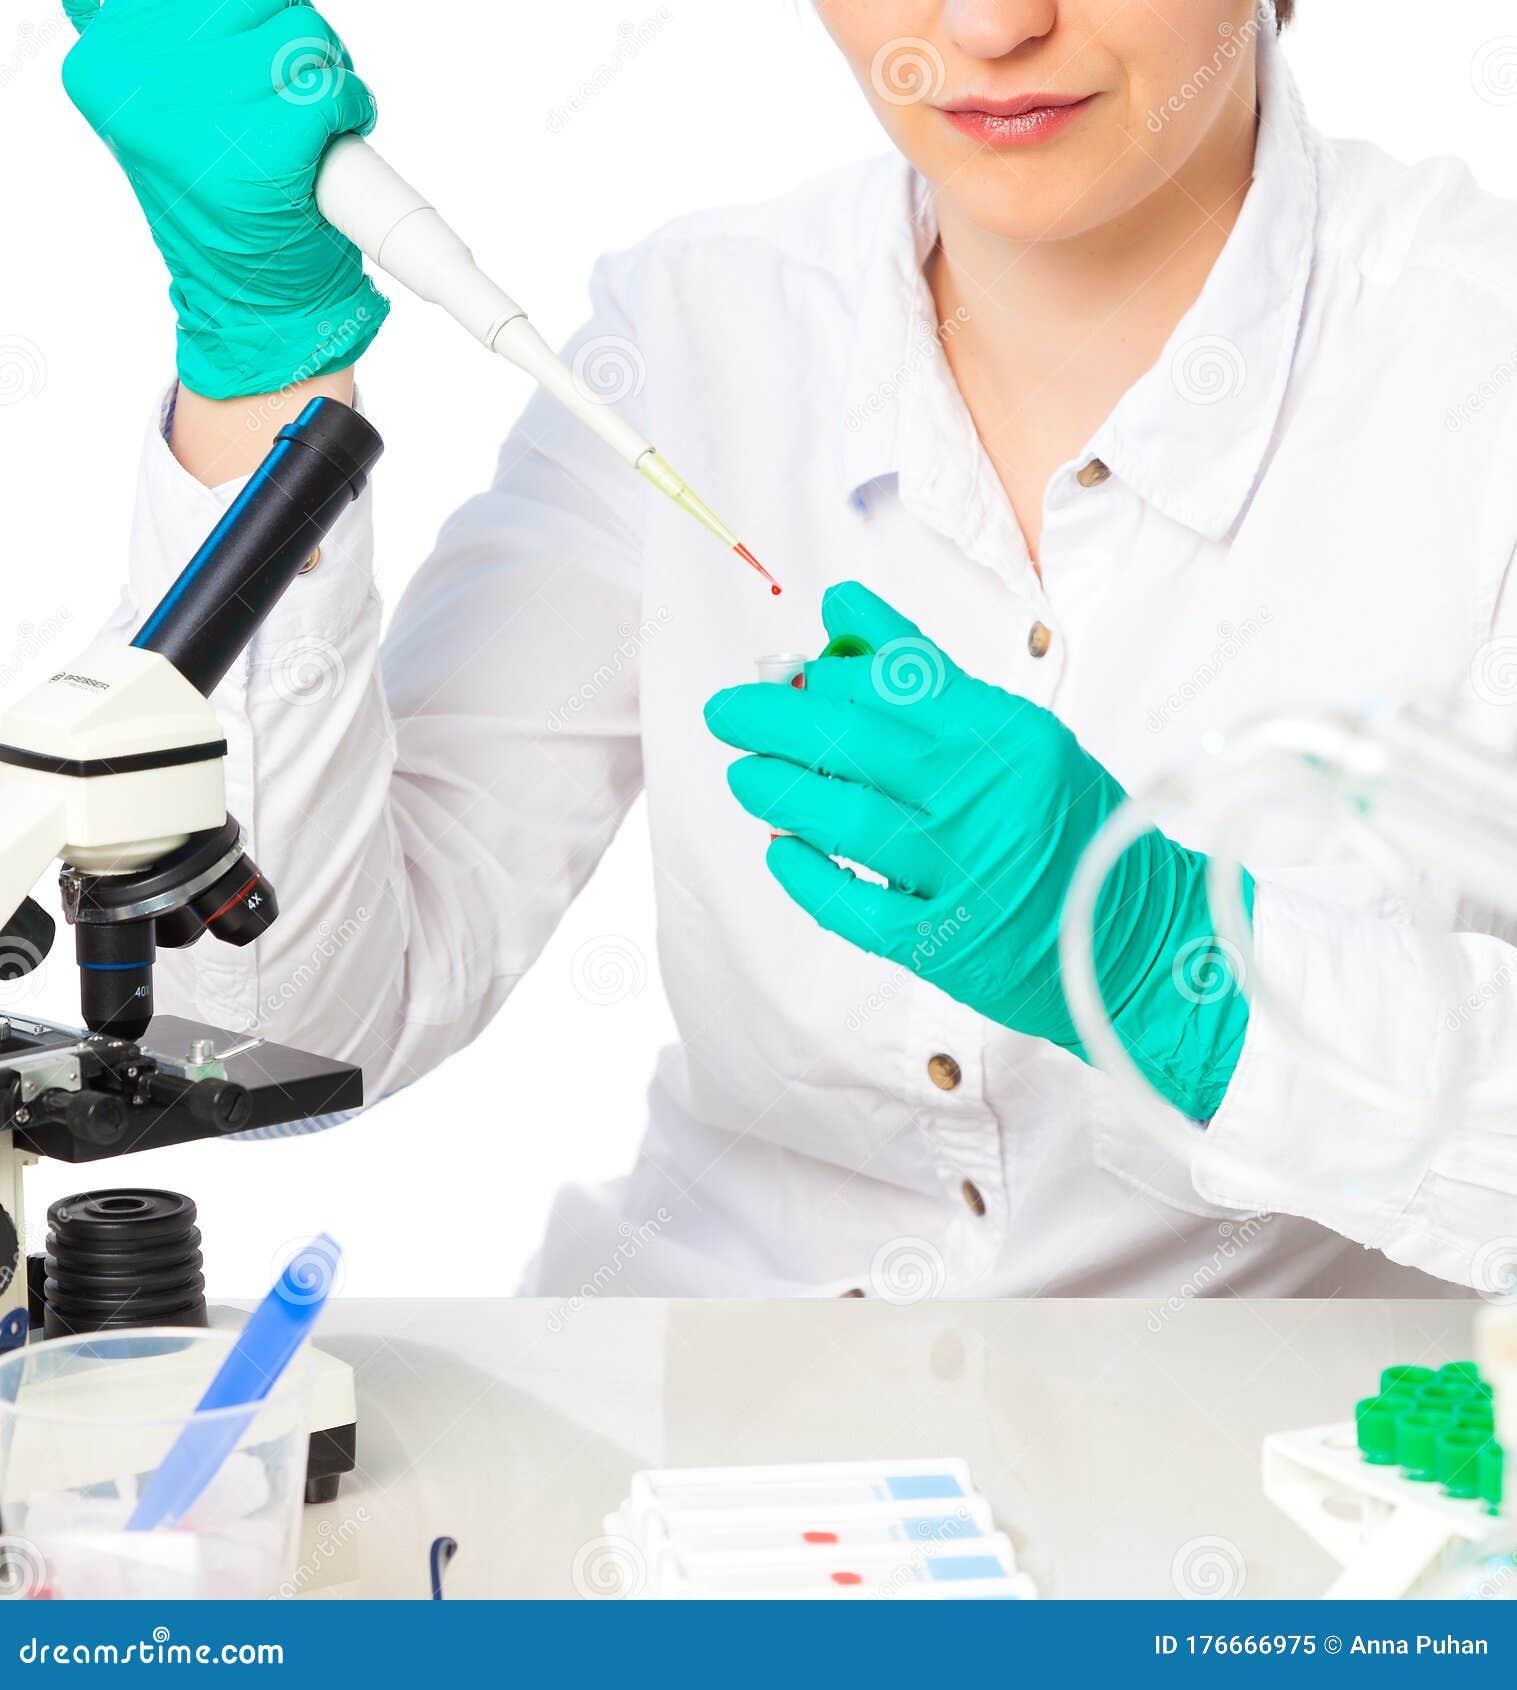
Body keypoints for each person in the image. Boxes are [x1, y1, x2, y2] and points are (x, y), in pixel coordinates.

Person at [59, 0, 1517, 1297]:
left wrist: (1172, 964)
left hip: (1269, 1498)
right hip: (691, 1439)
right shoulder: (694, 328)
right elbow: (272, 1032)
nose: (994, 25)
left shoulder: (1473, 364)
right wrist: (262, 367)